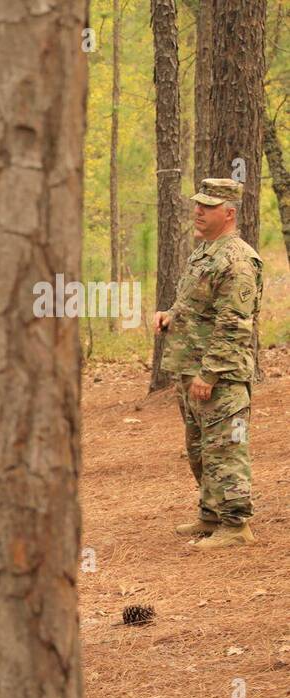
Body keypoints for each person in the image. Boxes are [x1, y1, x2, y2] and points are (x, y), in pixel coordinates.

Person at [152, 178, 262, 550]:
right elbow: (195, 304)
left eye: (208, 206)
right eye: (197, 204)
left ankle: (236, 525)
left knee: (226, 447)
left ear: (228, 213)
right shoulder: (204, 253)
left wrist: (210, 372)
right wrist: (170, 315)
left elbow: (234, 324)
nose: (198, 211)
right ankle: (212, 514)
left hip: (219, 375)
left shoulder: (239, 260)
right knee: (200, 447)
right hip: (191, 367)